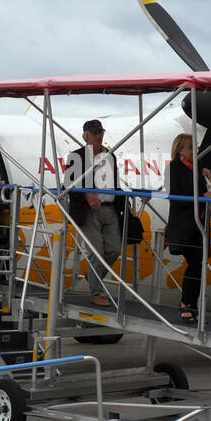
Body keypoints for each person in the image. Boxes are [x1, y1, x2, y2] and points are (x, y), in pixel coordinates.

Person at [64, 119, 126, 306]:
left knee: (115, 249)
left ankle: (93, 275)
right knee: (96, 251)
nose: (98, 135)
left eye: (100, 132)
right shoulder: (76, 156)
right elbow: (68, 184)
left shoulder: (110, 156)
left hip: (110, 208)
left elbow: (114, 182)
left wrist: (124, 200)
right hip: (89, 211)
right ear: (86, 135)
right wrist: (86, 195)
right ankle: (97, 292)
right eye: (94, 132)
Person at [164, 133, 211, 324]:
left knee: (199, 265)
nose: (192, 151)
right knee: (195, 264)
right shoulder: (174, 168)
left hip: (200, 224)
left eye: (193, 147)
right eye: (188, 147)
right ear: (179, 150)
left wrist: (208, 178)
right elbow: (175, 195)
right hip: (185, 224)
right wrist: (202, 195)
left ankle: (192, 307)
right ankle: (186, 305)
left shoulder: (198, 169)